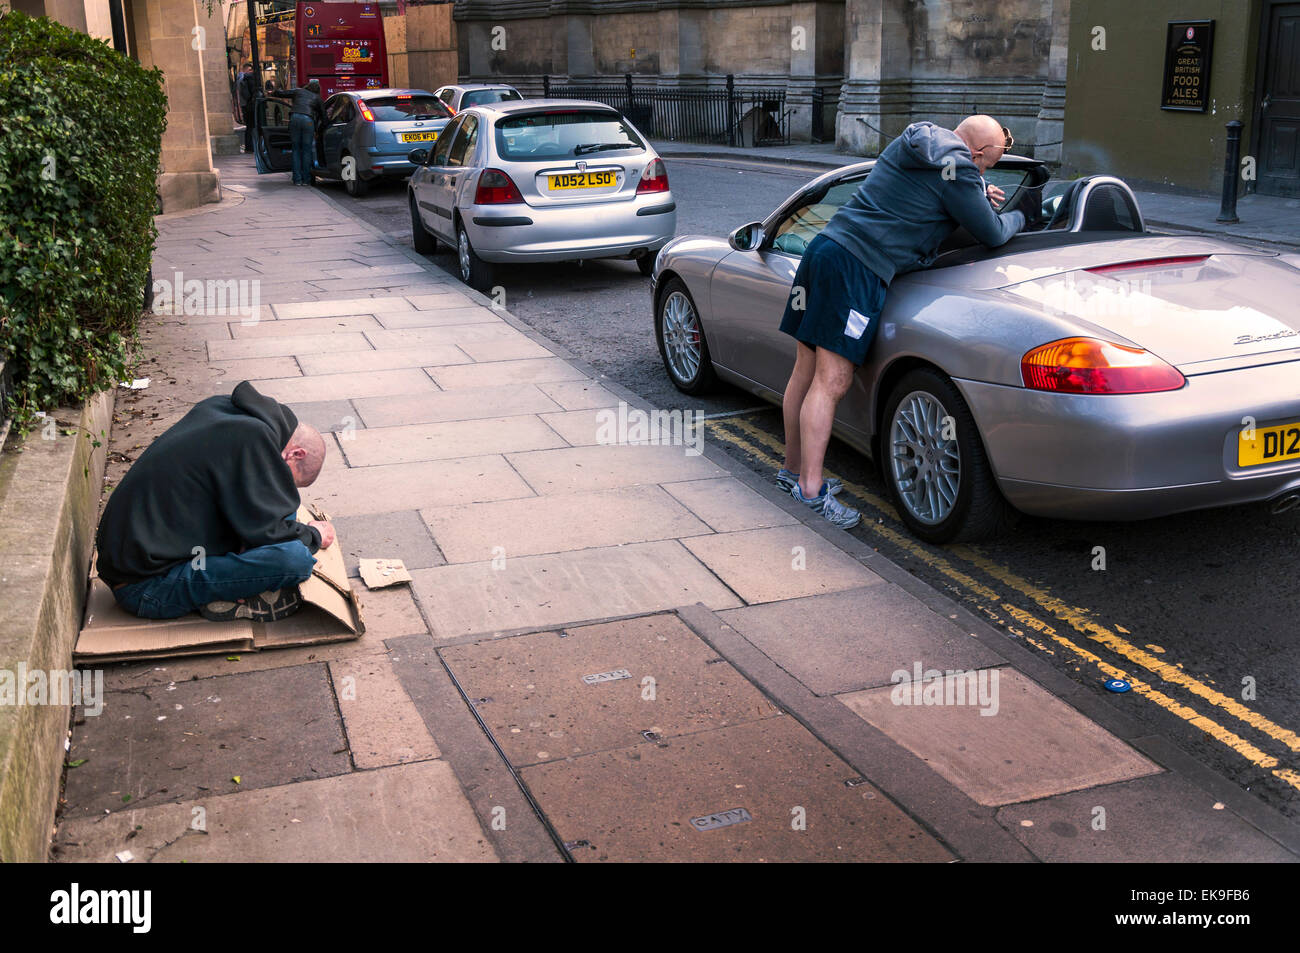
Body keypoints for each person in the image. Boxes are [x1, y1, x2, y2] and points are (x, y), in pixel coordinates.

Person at [777, 114, 1032, 528]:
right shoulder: (961, 171)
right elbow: (994, 233)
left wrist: (975, 189)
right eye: (987, 164)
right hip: (857, 268)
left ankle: (790, 472)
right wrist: (1022, 214)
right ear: (978, 153)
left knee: (804, 373)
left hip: (825, 250)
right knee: (832, 381)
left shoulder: (914, 139)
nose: (983, 171)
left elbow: (921, 191)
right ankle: (810, 491)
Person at [95, 381, 335, 622]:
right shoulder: (254, 439)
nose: (281, 483)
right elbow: (271, 533)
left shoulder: (228, 410)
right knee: (295, 560)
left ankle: (233, 583)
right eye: (289, 478)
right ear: (296, 453)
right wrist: (313, 535)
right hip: (147, 587)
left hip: (141, 557)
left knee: (284, 513)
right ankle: (233, 591)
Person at [269, 79, 325, 185]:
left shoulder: (299, 91)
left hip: (294, 118)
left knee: (296, 150)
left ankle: (297, 179)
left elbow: (282, 93)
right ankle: (306, 180)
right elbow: (323, 116)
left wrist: (273, 92)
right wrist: (321, 129)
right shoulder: (317, 98)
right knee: (306, 150)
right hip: (308, 121)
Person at [236, 62, 257, 153]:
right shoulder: (245, 79)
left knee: (249, 127)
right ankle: (250, 147)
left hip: (245, 105)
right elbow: (247, 94)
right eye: (249, 70)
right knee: (251, 127)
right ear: (245, 70)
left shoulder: (240, 79)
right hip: (249, 106)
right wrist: (251, 100)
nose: (250, 72)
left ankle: (249, 147)